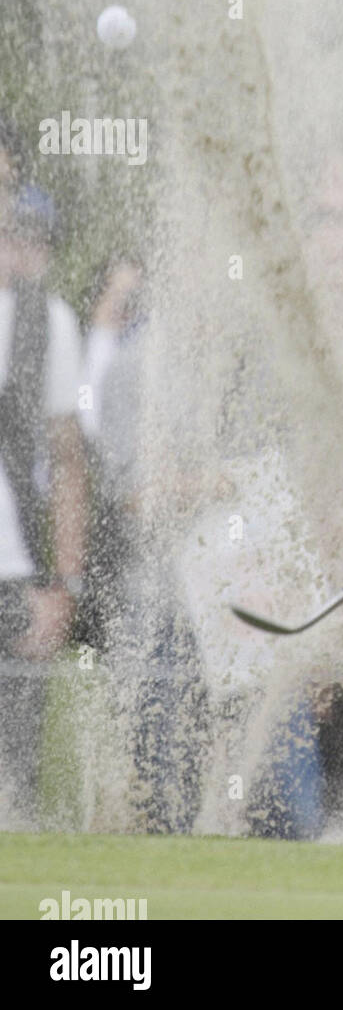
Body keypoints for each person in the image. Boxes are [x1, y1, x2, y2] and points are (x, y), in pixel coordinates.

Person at [0, 135, 87, 828]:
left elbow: (67, 462)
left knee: (12, 795)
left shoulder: (47, 319)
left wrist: (63, 583)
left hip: (15, 574)